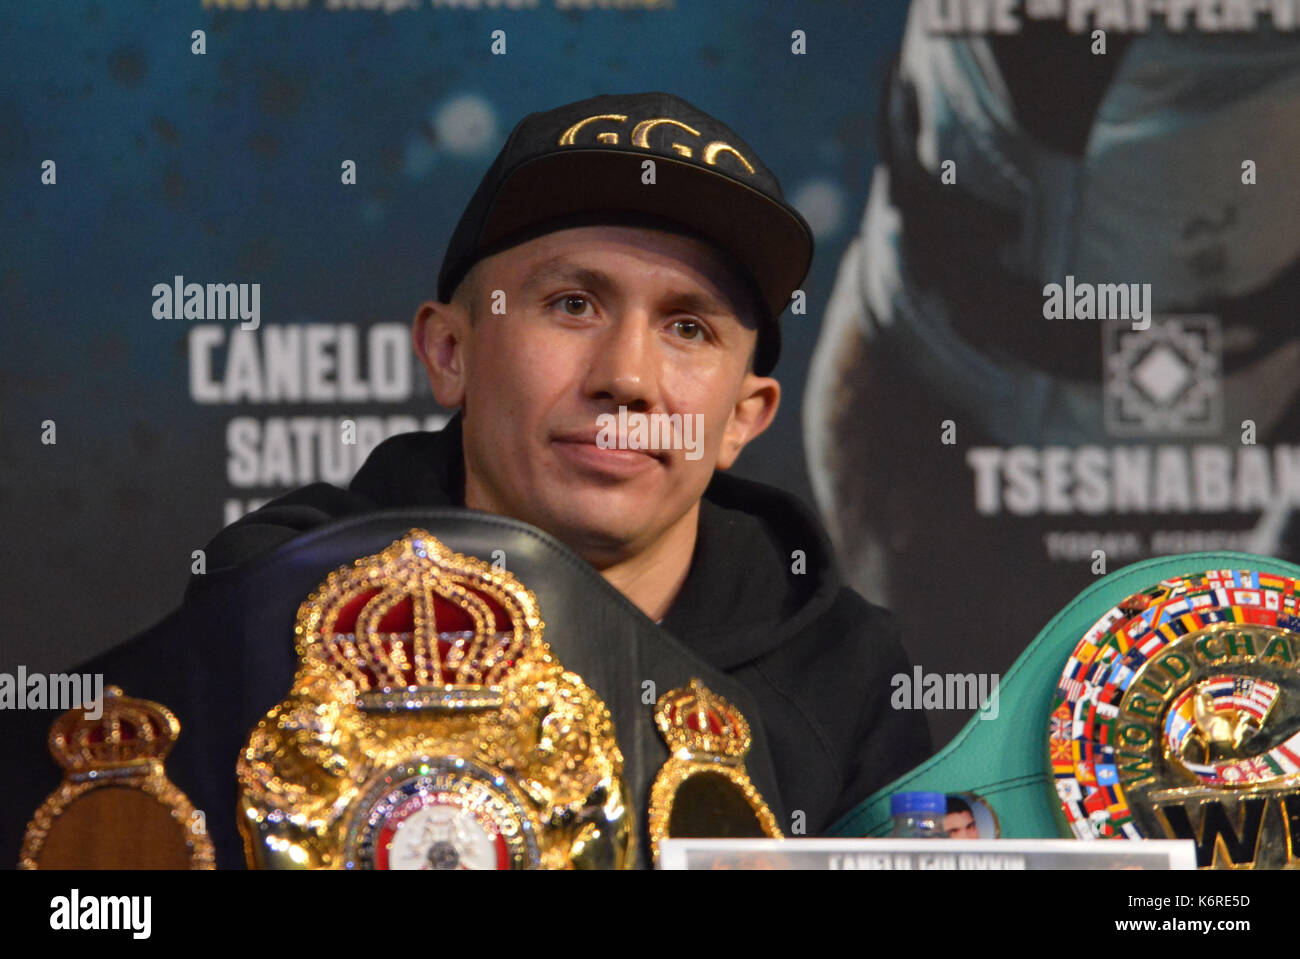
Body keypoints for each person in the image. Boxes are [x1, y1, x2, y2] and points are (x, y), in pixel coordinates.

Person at [4, 93, 930, 867]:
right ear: (451, 351)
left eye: (689, 327)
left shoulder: (845, 675)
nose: (629, 377)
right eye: (573, 303)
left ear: (742, 416)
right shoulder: (280, 594)